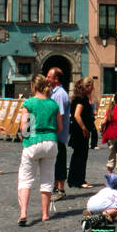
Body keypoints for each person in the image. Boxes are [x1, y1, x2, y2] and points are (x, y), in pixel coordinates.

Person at [16, 75, 62, 226]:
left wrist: (25, 135)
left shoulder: (29, 103)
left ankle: (23, 212)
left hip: (33, 143)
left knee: (26, 179)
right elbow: (60, 128)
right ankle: (45, 213)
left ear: (32, 86)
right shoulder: (53, 104)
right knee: (47, 179)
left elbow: (25, 127)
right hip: (50, 142)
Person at [47, 68, 71, 200]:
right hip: (55, 134)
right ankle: (55, 187)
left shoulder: (60, 94)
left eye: (49, 76)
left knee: (60, 162)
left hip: (58, 135)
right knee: (55, 162)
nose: (46, 79)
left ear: (56, 79)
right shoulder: (53, 93)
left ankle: (61, 190)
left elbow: (59, 115)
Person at [68, 78, 96, 189]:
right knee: (81, 156)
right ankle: (79, 180)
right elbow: (77, 115)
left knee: (77, 155)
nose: (93, 88)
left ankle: (73, 180)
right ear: (86, 87)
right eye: (91, 86)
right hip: (80, 132)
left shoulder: (78, 98)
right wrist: (84, 128)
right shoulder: (82, 99)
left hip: (77, 131)